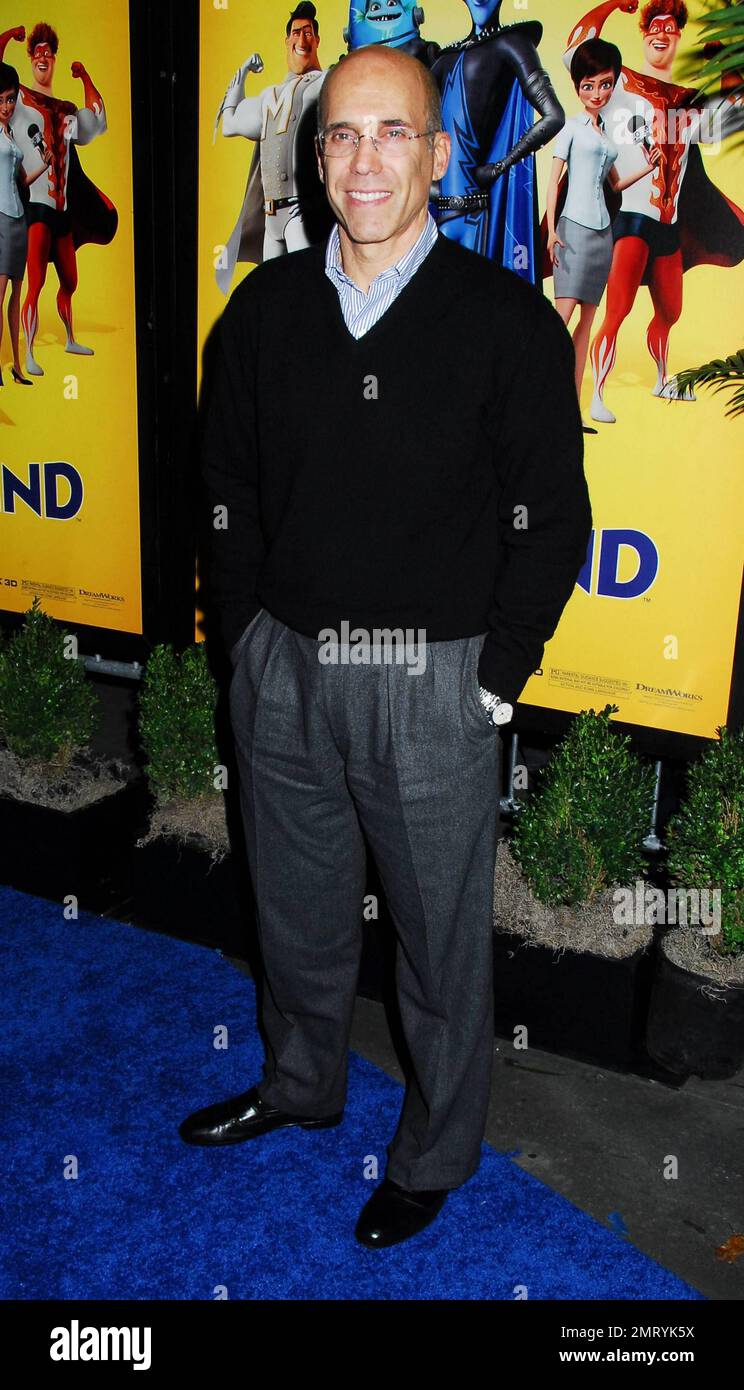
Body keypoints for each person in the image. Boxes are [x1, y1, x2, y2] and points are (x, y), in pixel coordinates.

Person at [191, 42, 592, 1250]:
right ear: (317, 159)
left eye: (394, 134)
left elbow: (554, 517)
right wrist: (249, 636)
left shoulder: (504, 321)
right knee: (296, 909)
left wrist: (495, 677)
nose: (366, 161)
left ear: (437, 153)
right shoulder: (262, 310)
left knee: (437, 943)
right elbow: (225, 489)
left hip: (434, 682)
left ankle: (434, 1152)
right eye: (343, 137)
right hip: (287, 672)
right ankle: (301, 1083)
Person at [564, 0, 744, 423]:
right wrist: (611, 6)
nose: (661, 33)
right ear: (643, 35)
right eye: (653, 27)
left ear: (679, 36)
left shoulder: (689, 103)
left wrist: (725, 61)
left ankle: (662, 379)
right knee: (618, 310)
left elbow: (732, 116)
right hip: (631, 219)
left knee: (670, 312)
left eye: (669, 27)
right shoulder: (619, 85)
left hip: (669, 225)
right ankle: (598, 396)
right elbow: (575, 51)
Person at [545, 37, 661, 427]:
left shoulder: (605, 136)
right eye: (588, 85)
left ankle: (571, 412)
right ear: (577, 86)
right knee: (559, 320)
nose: (597, 93)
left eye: (605, 84)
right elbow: (553, 181)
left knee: (587, 323)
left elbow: (613, 186)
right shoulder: (571, 129)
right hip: (572, 229)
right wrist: (549, 231)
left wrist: (649, 167)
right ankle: (532, 398)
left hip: (602, 234)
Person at [0, 22, 115, 378]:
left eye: (48, 52)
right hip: (34, 209)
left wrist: (85, 78)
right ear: (31, 59)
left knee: (70, 282)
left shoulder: (66, 110)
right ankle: (29, 352)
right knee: (34, 283)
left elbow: (97, 120)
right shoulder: (17, 101)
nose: (43, 56)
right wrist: (6, 37)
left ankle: (69, 338)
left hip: (62, 210)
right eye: (37, 52)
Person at [214, 2, 333, 294]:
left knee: (307, 289)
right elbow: (229, 123)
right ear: (287, 40)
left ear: (317, 40)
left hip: (301, 213)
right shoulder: (271, 96)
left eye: (308, 33)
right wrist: (242, 73)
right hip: (271, 219)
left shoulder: (325, 83)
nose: (302, 40)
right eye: (296, 32)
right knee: (273, 294)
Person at [0, 60, 51, 385]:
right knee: (1, 294)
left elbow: (20, 181)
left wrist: (44, 166)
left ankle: (17, 366)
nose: (5, 106)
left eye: (9, 99)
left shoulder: (10, 136)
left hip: (20, 218)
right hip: (1, 218)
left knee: (16, 297)